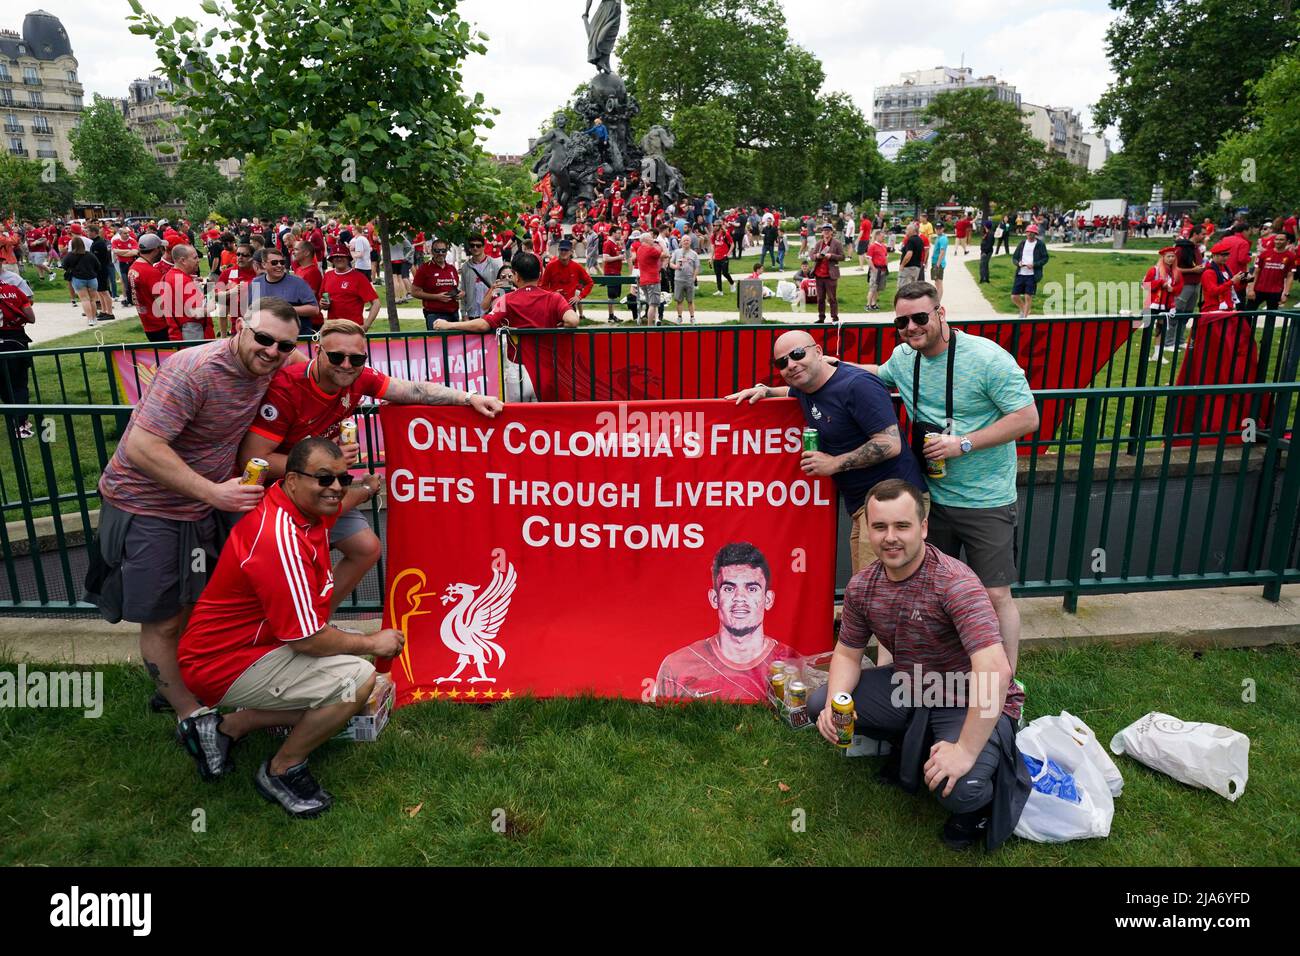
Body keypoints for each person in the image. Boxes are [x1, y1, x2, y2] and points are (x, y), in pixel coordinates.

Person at [85, 299, 306, 725]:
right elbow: (142, 447)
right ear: (239, 328)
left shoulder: (277, 359)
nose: (273, 352)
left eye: (284, 346)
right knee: (164, 619)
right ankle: (192, 716)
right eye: (263, 339)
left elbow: (333, 371)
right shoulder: (194, 369)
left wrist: (455, 397)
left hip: (205, 503)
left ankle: (178, 687)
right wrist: (213, 493)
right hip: (148, 504)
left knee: (198, 606)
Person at [175, 437, 404, 817]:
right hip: (223, 662)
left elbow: (340, 502)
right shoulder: (279, 538)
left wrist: (363, 488)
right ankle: (281, 770)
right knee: (355, 681)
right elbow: (308, 640)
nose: (334, 488)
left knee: (349, 699)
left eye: (340, 479)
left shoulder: (304, 507)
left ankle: (227, 727)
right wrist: (372, 642)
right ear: (292, 480)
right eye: (324, 479)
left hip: (251, 645)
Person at [805, 480, 1028, 850]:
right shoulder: (863, 586)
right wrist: (836, 700)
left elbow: (995, 670)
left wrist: (965, 752)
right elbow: (847, 652)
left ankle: (974, 811)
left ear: (923, 528)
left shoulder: (954, 583)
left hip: (967, 696)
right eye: (880, 527)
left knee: (958, 786)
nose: (890, 538)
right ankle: (910, 742)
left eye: (902, 526)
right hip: (912, 686)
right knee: (822, 705)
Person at [238, 317, 501, 610]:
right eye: (337, 356)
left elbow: (413, 390)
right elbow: (253, 458)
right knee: (284, 571)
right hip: (276, 496)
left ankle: (316, 623)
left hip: (320, 486)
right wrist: (326, 467)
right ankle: (289, 634)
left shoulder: (357, 377)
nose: (347, 365)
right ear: (318, 351)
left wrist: (469, 397)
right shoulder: (288, 389)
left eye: (357, 358)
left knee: (366, 548)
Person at [854, 282, 1038, 671]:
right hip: (931, 497)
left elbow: (1027, 418)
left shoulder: (987, 358)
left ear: (941, 313)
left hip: (985, 499)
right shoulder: (905, 358)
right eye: (901, 321)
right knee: (921, 589)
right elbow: (876, 375)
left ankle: (1005, 689)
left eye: (920, 317)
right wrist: (821, 367)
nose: (911, 327)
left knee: (994, 594)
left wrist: (963, 444)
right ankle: (921, 673)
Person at [727, 329, 928, 572]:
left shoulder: (857, 385)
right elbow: (790, 391)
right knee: (866, 585)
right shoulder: (807, 387)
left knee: (882, 589)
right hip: (863, 505)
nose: (791, 365)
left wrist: (833, 463)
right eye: (782, 362)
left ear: (819, 352)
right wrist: (765, 390)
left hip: (894, 502)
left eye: (798, 354)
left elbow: (890, 443)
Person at [652, 543, 799, 702]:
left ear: (768, 599)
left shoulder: (793, 665)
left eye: (752, 588)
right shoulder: (677, 666)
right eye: (729, 589)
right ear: (714, 598)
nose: (740, 598)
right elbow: (659, 723)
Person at [248, 249, 320, 337]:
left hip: (295, 339)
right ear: (263, 264)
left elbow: (314, 309)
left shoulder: (298, 283)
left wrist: (285, 309)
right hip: (266, 338)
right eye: (274, 262)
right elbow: (252, 310)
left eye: (282, 262)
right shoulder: (256, 283)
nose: (279, 265)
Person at [0, 267, 36, 439]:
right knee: (19, 384)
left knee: (3, 383)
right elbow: (31, 317)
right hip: (15, 339)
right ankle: (21, 425)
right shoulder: (13, 289)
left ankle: (15, 418)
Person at [159, 245, 214, 341]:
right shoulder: (183, 281)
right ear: (183, 260)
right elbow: (196, 313)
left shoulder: (168, 276)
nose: (198, 260)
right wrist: (210, 294)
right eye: (195, 258)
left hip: (179, 334)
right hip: (194, 337)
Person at [321, 245, 381, 329]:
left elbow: (376, 303)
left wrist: (366, 325)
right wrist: (323, 304)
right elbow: (321, 301)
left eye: (342, 256)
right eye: (336, 256)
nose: (339, 259)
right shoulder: (328, 276)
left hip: (353, 328)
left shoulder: (358, 277)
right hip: (333, 328)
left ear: (348, 258)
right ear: (331, 260)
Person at [127, 234, 170, 343]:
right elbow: (161, 301)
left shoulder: (133, 268)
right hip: (161, 324)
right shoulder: (151, 272)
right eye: (161, 248)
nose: (163, 251)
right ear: (156, 250)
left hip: (147, 322)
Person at [412, 239, 463, 329]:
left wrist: (460, 294)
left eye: (443, 250)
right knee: (437, 342)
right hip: (434, 314)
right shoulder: (424, 269)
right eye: (437, 250)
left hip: (453, 313)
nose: (440, 253)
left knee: (455, 342)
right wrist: (437, 297)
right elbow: (414, 292)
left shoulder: (452, 269)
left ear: (447, 252)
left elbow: (454, 288)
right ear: (432, 251)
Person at [1143, 246, 1183, 360]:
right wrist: (1160, 282)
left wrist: (1173, 290)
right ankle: (1145, 355)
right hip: (1151, 304)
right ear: (1163, 257)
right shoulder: (1154, 270)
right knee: (1148, 329)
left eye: (1173, 256)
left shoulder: (1176, 272)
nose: (1171, 259)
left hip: (1166, 305)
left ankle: (1158, 354)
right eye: (1168, 256)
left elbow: (1179, 288)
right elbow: (1145, 285)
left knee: (1160, 329)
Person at [540, 238, 595, 319]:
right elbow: (543, 286)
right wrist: (553, 293)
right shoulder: (550, 266)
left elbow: (590, 283)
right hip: (554, 303)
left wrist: (579, 297)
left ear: (571, 252)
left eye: (566, 250)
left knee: (570, 326)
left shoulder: (577, 267)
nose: (563, 252)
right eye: (561, 250)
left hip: (569, 305)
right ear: (558, 251)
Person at [459, 234, 503, 322]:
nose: (475, 248)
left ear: (483, 247)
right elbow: (463, 293)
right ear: (469, 248)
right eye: (472, 245)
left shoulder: (494, 264)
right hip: (472, 314)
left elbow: (501, 290)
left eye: (478, 245)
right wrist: (464, 314)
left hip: (491, 313)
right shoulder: (465, 267)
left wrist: (500, 312)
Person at [61, 237, 102, 328]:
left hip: (78, 278)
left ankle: (90, 319)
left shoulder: (70, 255)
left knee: (85, 299)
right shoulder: (90, 255)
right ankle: (94, 317)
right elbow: (98, 266)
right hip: (92, 278)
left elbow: (64, 266)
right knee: (92, 300)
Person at [1009, 224, 1048, 317]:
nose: (1030, 235)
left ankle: (1024, 317)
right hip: (1021, 273)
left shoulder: (1040, 244)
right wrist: (1018, 263)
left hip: (1032, 275)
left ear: (1035, 234)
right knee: (1014, 296)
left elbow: (1045, 258)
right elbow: (1014, 257)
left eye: (1032, 233)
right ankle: (1024, 309)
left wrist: (1034, 265)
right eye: (1028, 233)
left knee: (1028, 296)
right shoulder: (1022, 243)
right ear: (1026, 233)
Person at [810, 223, 845, 323]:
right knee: (820, 298)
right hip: (819, 275)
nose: (826, 232)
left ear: (831, 232)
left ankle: (835, 318)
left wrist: (831, 256)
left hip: (830, 275)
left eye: (828, 231)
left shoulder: (836, 243)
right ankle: (821, 318)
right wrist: (817, 256)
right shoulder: (819, 243)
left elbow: (842, 256)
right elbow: (811, 256)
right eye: (824, 230)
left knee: (832, 298)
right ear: (822, 232)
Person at [1252, 232, 1292, 313]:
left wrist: (1285, 293)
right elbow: (1255, 272)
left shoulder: (1290, 256)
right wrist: (1250, 289)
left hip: (1275, 291)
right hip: (1258, 289)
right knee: (1248, 313)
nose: (1278, 241)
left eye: (1281, 240)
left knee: (1271, 316)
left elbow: (1290, 276)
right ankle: (1247, 326)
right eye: (1276, 239)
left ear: (1287, 242)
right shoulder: (1264, 254)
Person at [634, 230, 663, 326]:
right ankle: (650, 326)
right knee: (653, 304)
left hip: (643, 280)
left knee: (650, 303)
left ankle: (652, 323)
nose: (653, 240)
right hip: (652, 280)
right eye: (651, 238)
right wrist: (659, 244)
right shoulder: (650, 249)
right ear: (646, 240)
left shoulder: (639, 249)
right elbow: (661, 252)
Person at [669, 234, 700, 323]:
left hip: (689, 280)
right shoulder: (676, 252)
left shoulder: (694, 254)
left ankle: (692, 317)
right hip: (678, 279)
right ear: (681, 242)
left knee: (690, 300)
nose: (686, 242)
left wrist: (694, 277)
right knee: (679, 300)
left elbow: (697, 267)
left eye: (688, 240)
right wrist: (676, 267)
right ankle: (679, 317)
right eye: (684, 240)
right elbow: (670, 263)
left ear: (690, 242)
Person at [600, 225, 626, 321]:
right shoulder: (608, 243)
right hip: (611, 272)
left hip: (616, 271)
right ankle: (611, 316)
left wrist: (620, 255)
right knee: (611, 295)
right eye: (619, 233)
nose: (620, 235)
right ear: (613, 233)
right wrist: (618, 258)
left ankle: (612, 315)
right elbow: (605, 258)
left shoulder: (615, 243)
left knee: (614, 295)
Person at [112, 224, 140, 307]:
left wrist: (122, 252)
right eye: (125, 233)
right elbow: (115, 251)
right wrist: (128, 251)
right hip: (122, 264)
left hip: (132, 263)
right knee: (125, 282)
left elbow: (135, 252)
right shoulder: (116, 241)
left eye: (128, 233)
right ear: (120, 234)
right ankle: (128, 299)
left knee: (133, 281)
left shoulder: (132, 241)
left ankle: (135, 299)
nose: (127, 234)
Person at [866, 229, 889, 311]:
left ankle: (874, 303)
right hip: (876, 269)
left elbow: (886, 257)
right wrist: (874, 269)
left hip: (883, 269)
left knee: (878, 288)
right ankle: (868, 304)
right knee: (872, 287)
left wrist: (886, 267)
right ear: (877, 236)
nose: (883, 238)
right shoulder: (872, 246)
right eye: (882, 236)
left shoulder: (883, 246)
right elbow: (869, 259)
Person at [709, 222, 734, 296]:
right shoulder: (713, 236)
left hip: (724, 256)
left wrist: (728, 253)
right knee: (718, 274)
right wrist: (711, 258)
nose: (715, 227)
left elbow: (732, 244)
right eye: (714, 225)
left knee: (725, 273)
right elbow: (713, 247)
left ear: (720, 226)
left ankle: (732, 283)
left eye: (716, 226)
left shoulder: (725, 234)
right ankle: (720, 291)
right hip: (716, 257)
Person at [898, 222, 925, 288]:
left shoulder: (911, 240)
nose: (905, 231)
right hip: (916, 268)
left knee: (903, 288)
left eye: (907, 230)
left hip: (908, 268)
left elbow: (909, 254)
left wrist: (902, 265)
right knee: (912, 289)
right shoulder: (920, 240)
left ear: (912, 231)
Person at [930, 222, 949, 302]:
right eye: (936, 228)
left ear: (943, 229)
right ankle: (937, 300)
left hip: (939, 264)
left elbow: (942, 252)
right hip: (935, 263)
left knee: (939, 283)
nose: (937, 230)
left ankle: (938, 302)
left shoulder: (943, 239)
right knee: (936, 282)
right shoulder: (938, 237)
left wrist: (937, 264)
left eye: (939, 228)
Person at [978, 219, 995, 284]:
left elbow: (989, 244)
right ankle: (986, 279)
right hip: (985, 251)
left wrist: (984, 251)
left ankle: (983, 279)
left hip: (986, 252)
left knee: (982, 265)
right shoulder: (987, 233)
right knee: (985, 265)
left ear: (986, 226)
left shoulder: (990, 234)